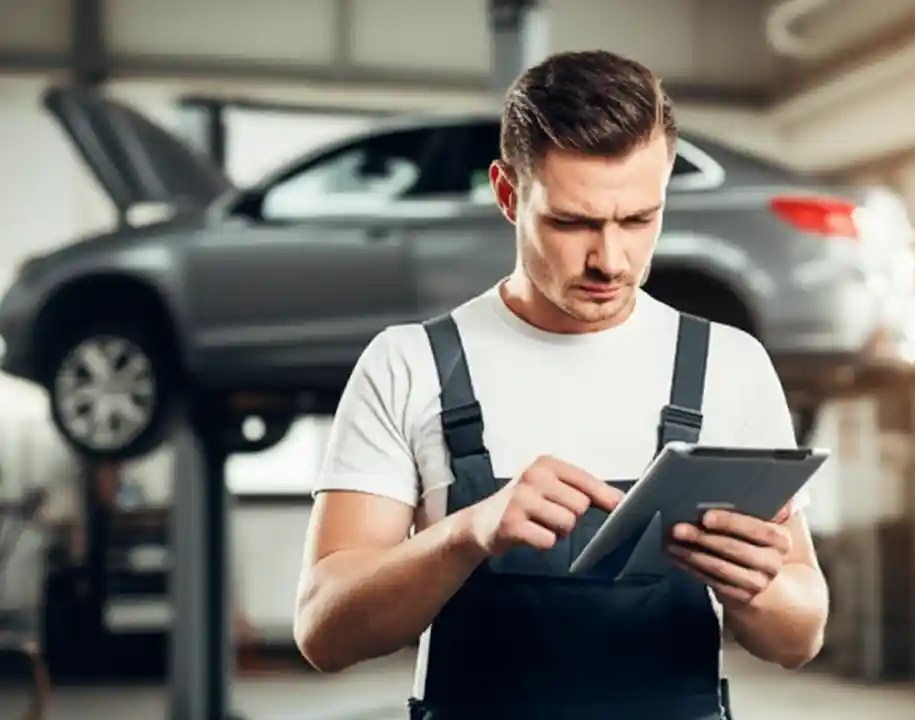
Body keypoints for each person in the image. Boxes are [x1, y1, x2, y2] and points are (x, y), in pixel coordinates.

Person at [293, 49, 829, 720]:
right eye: (573, 223)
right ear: (508, 194)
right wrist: (466, 535)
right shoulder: (410, 364)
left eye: (639, 220)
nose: (610, 259)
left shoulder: (729, 364)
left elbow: (801, 633)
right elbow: (323, 630)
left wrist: (760, 590)